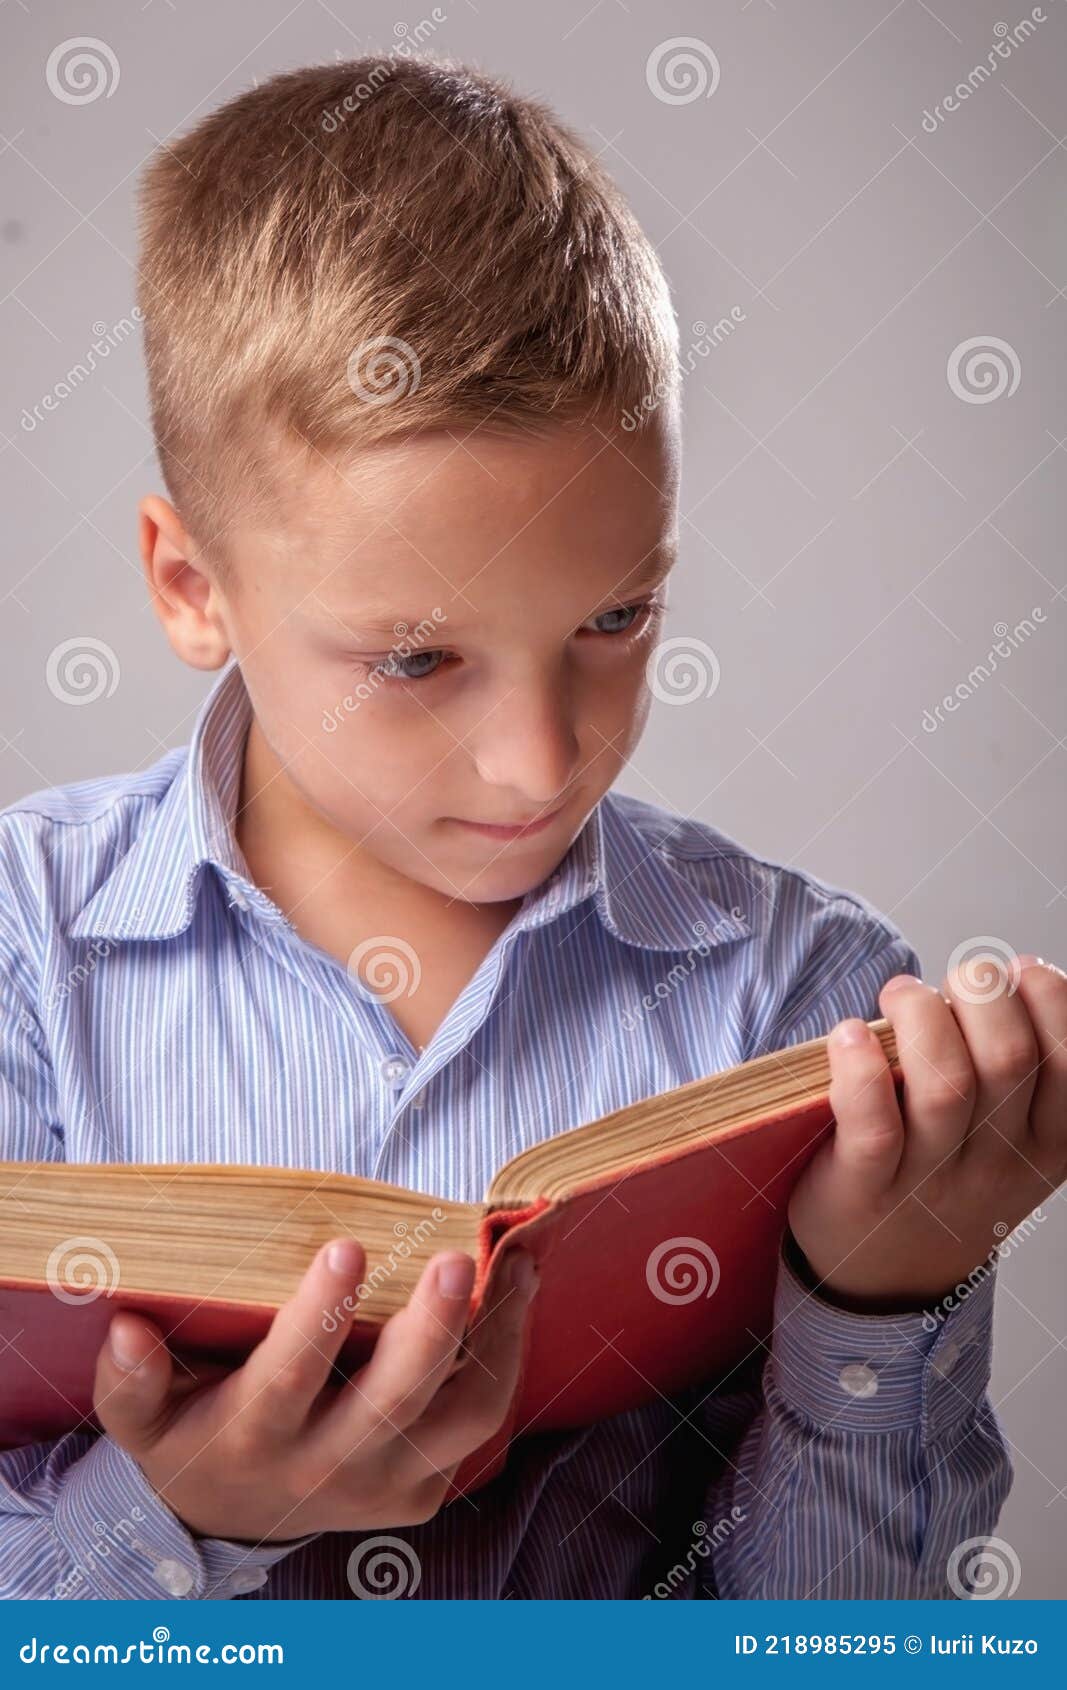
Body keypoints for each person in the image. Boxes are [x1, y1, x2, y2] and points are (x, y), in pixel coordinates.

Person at [1, 56, 1061, 1601]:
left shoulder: (801, 995)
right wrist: (174, 1517)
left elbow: (853, 1648)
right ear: (190, 587)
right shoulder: (25, 942)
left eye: (616, 617)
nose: (538, 756)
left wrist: (874, 1304)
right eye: (417, 657)